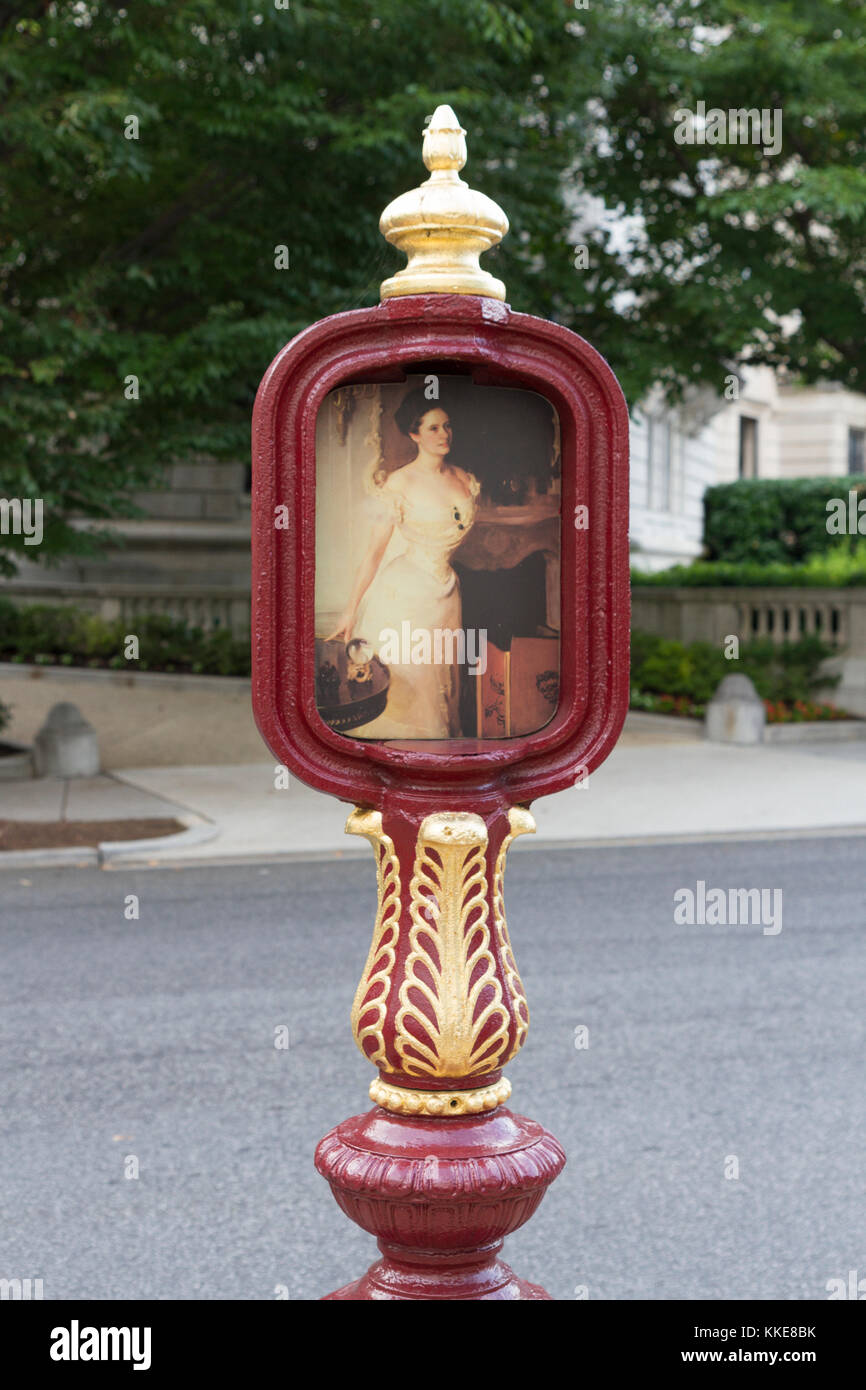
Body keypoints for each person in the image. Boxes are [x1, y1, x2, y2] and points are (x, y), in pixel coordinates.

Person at [326, 387, 480, 738]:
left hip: (448, 591)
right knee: (416, 682)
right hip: (407, 596)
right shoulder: (399, 484)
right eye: (433, 428)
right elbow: (373, 555)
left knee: (444, 673)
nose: (444, 434)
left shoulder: (465, 479)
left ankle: (442, 766)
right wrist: (350, 611)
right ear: (414, 434)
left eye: (447, 426)